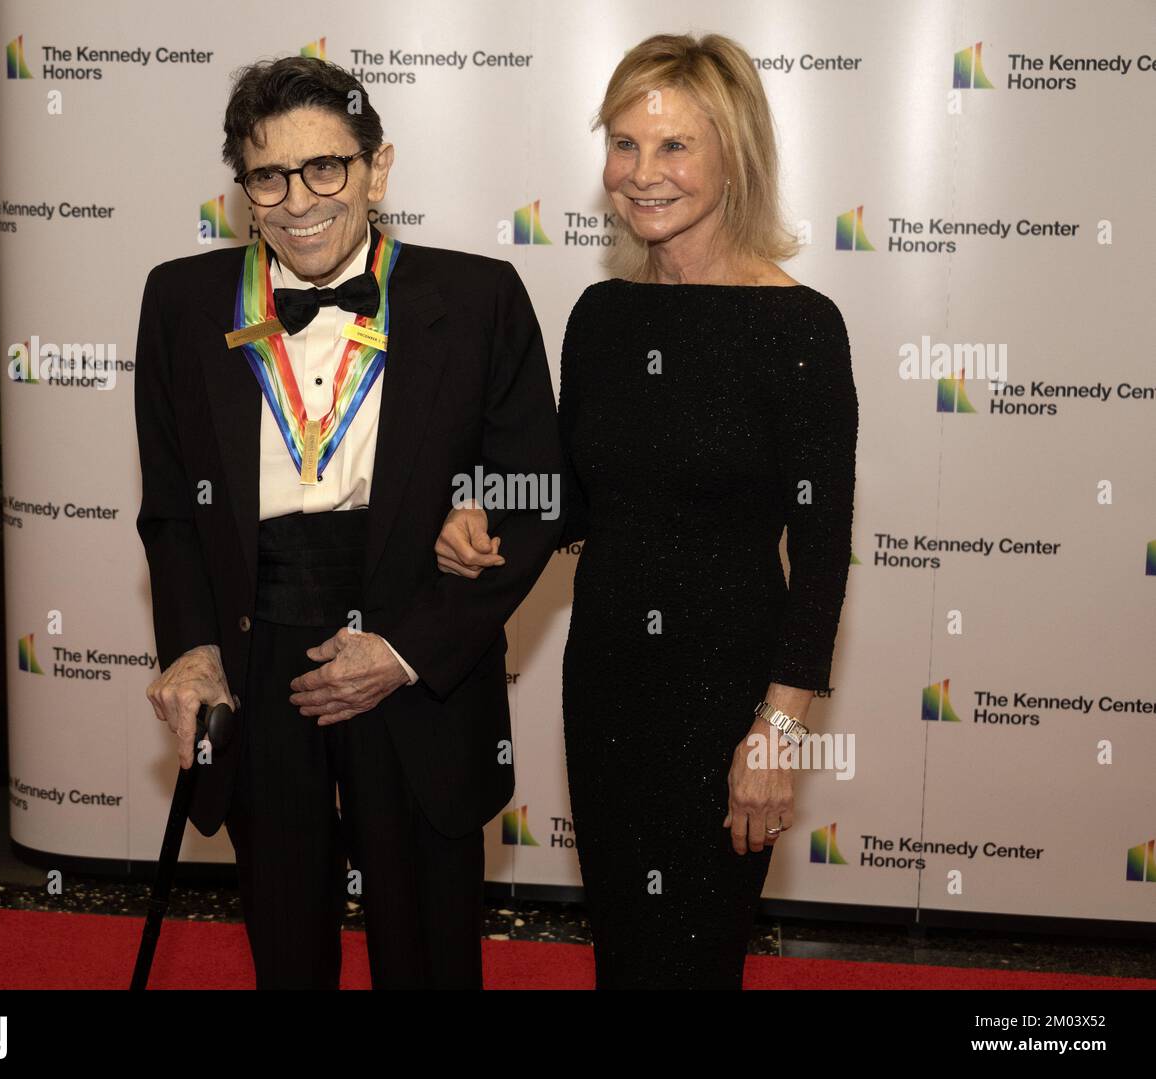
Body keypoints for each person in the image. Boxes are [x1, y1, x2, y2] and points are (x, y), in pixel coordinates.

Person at [435, 32, 858, 989]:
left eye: (674, 146)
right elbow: (572, 496)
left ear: (733, 155)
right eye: (624, 145)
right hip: (609, 680)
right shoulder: (602, 317)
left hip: (730, 696)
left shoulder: (799, 327)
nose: (641, 172)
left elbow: (823, 551)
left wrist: (777, 730)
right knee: (625, 949)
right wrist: (481, 513)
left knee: (695, 960)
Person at [134, 56, 563, 989]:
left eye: (326, 167)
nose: (299, 202)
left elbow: (539, 489)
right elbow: (171, 511)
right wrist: (193, 648)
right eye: (269, 176)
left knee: (428, 949)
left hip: (416, 645)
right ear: (241, 186)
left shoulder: (480, 297)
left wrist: (408, 644)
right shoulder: (179, 302)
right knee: (286, 944)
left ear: (378, 165)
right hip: (258, 659)